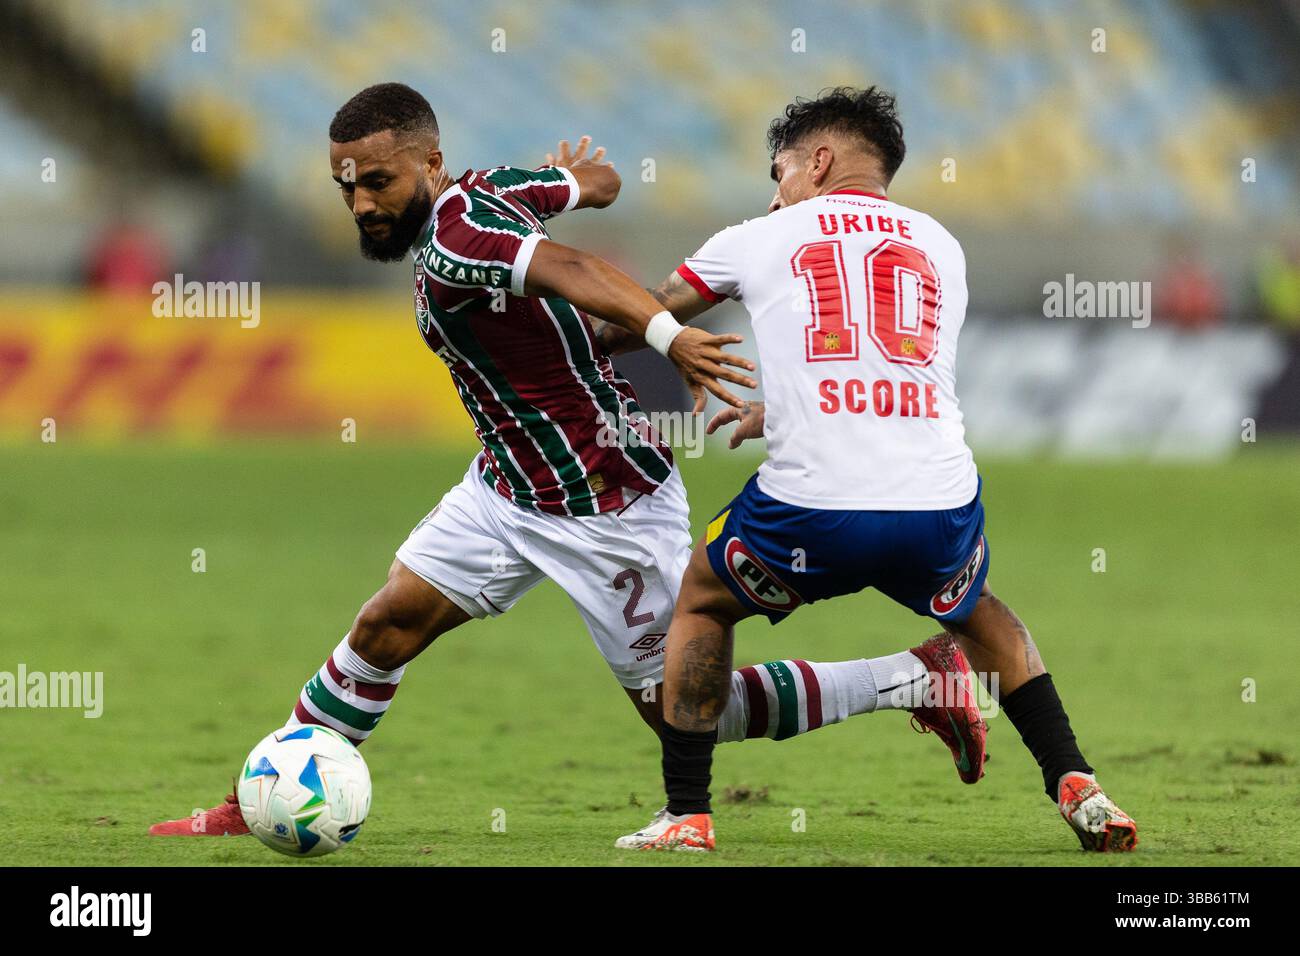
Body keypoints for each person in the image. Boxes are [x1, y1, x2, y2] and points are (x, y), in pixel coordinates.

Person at [150, 84, 982, 840]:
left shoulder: (458, 240)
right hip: (507, 486)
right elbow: (597, 187)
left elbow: (576, 269)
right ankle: (247, 803)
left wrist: (670, 335)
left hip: (604, 503)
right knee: (383, 626)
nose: (362, 204)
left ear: (428, 165)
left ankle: (915, 678)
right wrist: (575, 179)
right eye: (348, 188)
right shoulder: (490, 189)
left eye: (378, 183)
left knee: (695, 711)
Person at [615, 87, 1137, 853]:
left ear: (818, 161)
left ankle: (687, 813)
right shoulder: (941, 244)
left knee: (701, 599)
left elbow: (641, 315)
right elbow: (889, 365)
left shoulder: (763, 234)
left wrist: (540, 303)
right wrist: (786, 410)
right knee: (977, 611)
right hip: (936, 507)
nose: (776, 189)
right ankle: (1075, 780)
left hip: (810, 513)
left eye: (781, 168)